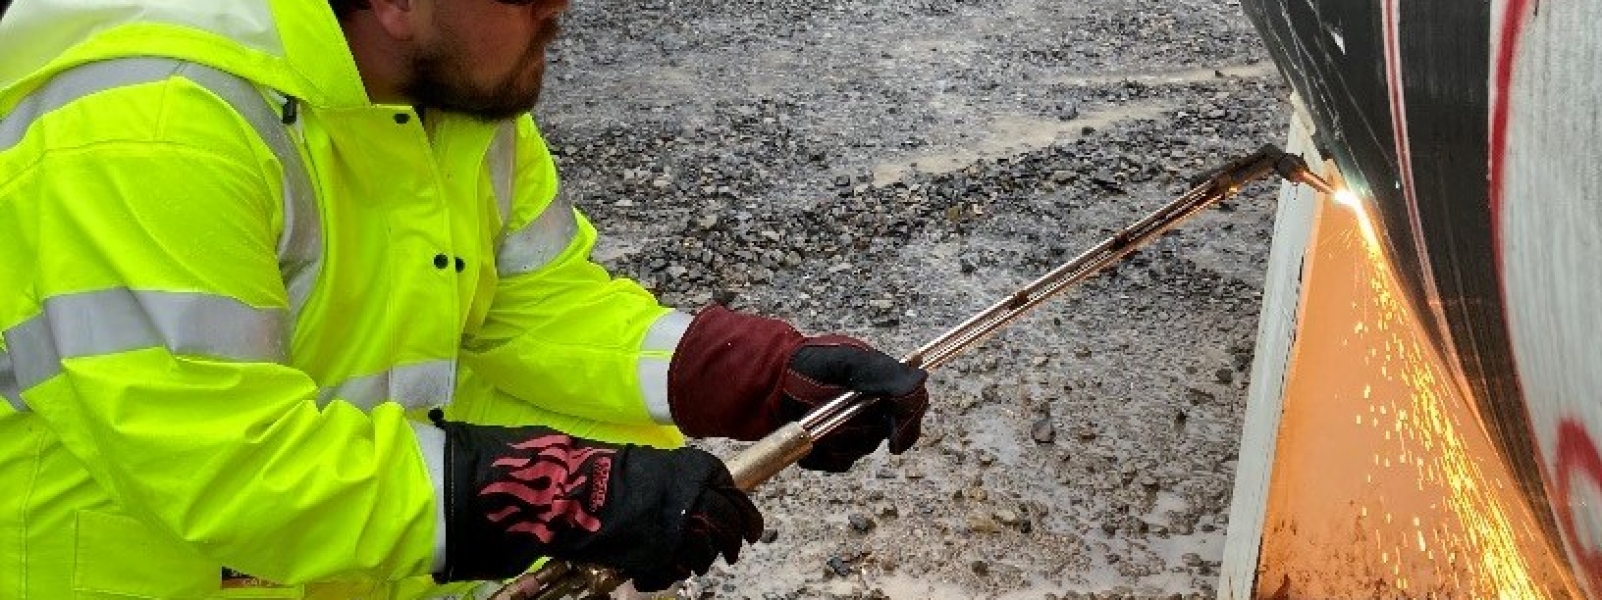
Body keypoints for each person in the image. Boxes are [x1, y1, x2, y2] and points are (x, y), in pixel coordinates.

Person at [0, 0, 930, 597]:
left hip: (331, 561)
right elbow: (213, 460)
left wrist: (752, 376)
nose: (562, 6)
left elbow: (536, 305)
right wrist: (546, 493)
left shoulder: (452, 98)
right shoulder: (152, 127)